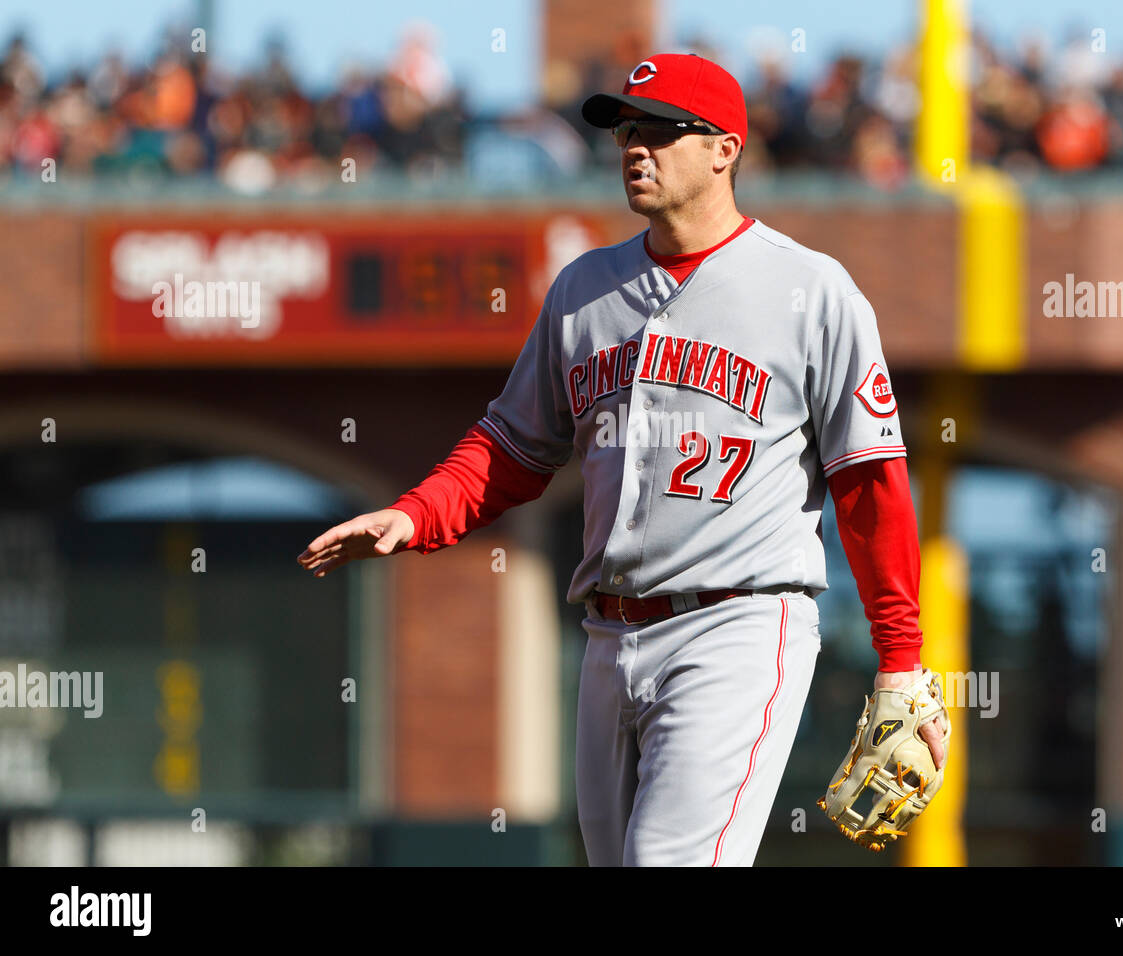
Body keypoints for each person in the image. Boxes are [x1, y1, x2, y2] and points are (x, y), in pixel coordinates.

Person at [297, 53, 946, 866]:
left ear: (725, 148)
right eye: (626, 130)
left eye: (662, 130)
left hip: (738, 624)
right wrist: (414, 513)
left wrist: (900, 658)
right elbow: (511, 446)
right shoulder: (584, 290)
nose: (635, 147)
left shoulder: (809, 290)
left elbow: (869, 483)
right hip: (608, 638)